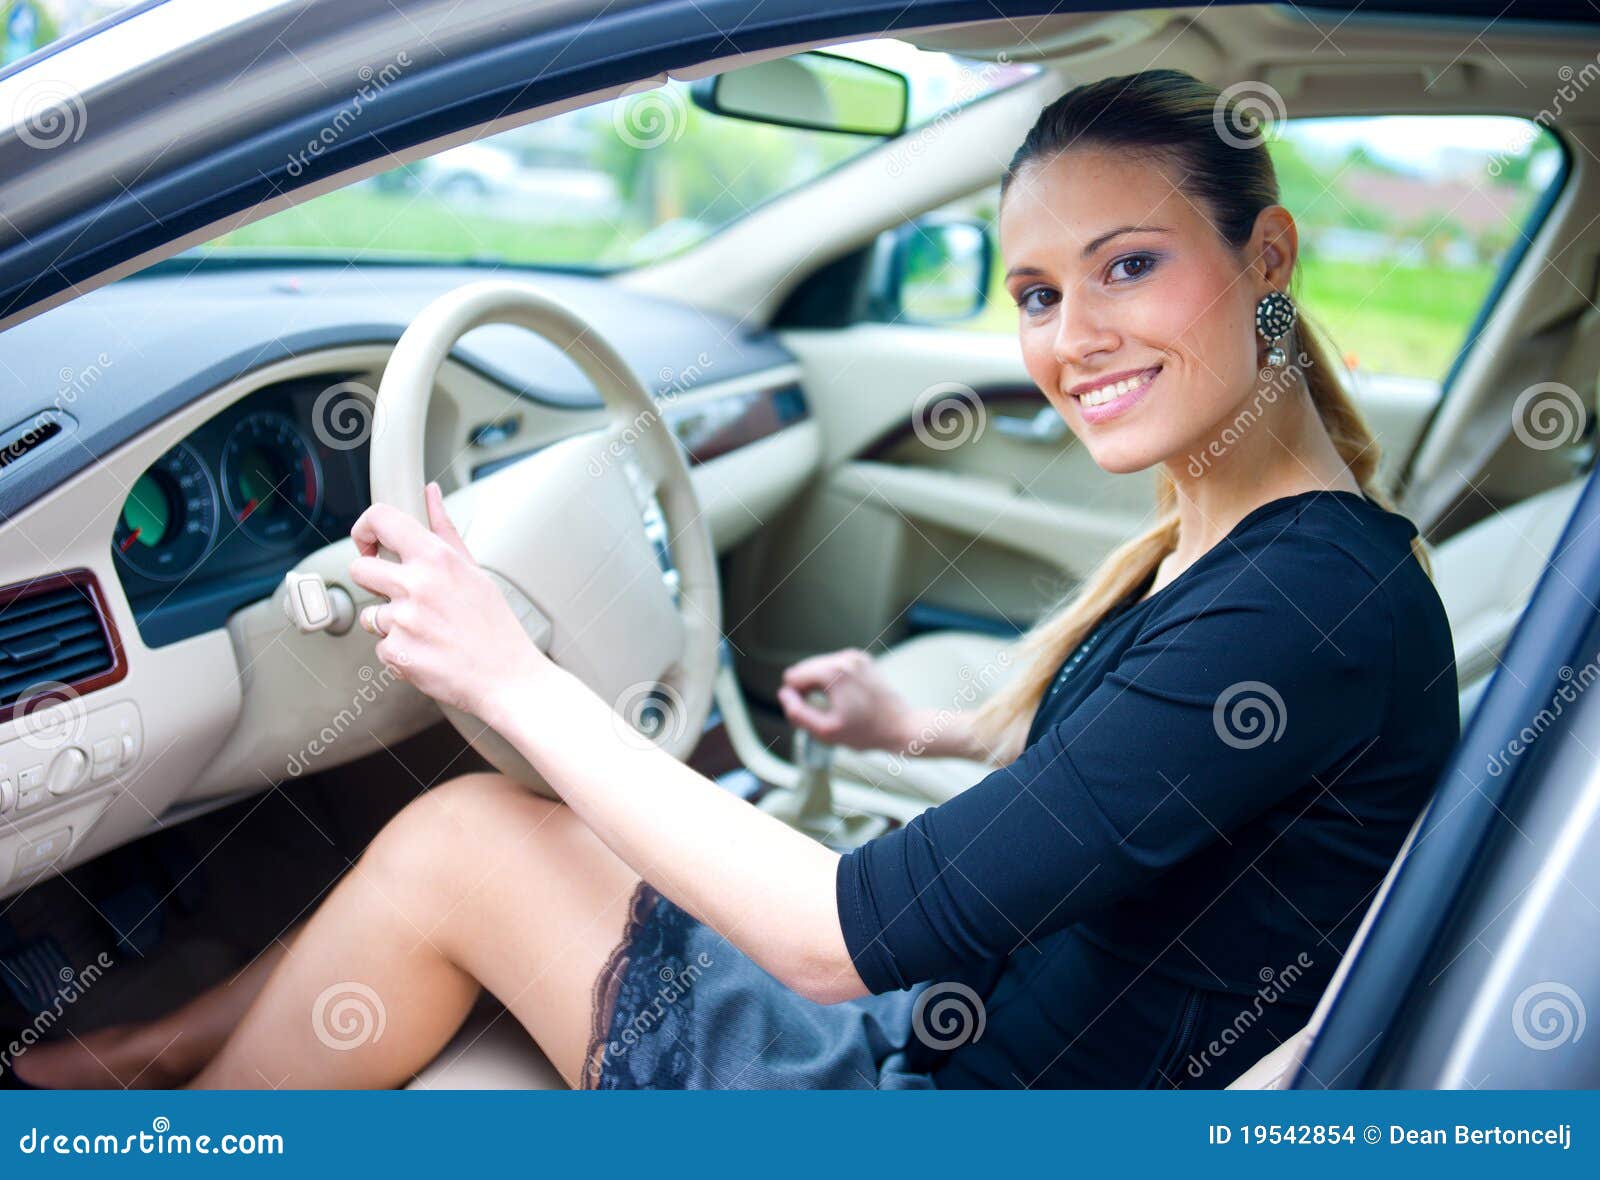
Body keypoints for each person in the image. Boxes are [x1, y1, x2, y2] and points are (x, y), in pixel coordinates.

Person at [11, 67, 1458, 1091]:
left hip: (938, 1098)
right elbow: (1156, 780)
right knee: (508, 815)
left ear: (1264, 254)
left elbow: (835, 946)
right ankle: (149, 1049)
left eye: (1127, 266)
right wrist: (923, 730)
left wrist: (504, 670)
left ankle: (165, 1128)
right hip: (978, 1038)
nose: (1072, 338)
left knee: (468, 834)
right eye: (1033, 293)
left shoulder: (1299, 612)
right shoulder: (1282, 562)